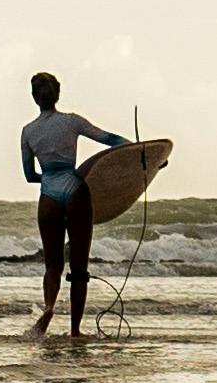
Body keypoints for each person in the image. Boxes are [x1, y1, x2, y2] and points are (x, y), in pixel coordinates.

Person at [20, 70, 133, 337]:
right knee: (79, 267)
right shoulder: (72, 122)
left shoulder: (28, 131)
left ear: (34, 97)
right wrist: (139, 151)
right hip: (75, 191)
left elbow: (28, 175)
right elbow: (109, 140)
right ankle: (75, 330)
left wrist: (49, 178)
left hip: (48, 194)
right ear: (58, 93)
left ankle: (48, 310)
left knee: (52, 266)